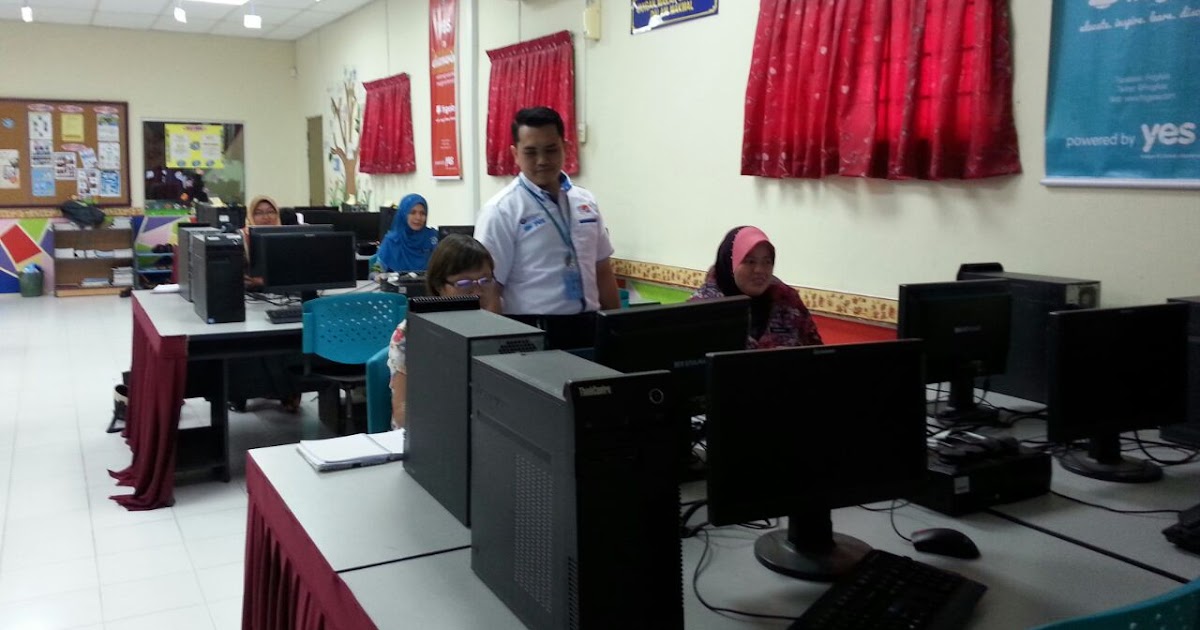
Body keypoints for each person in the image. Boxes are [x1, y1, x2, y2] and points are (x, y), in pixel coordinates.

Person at [474, 107, 621, 321]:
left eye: (551, 150)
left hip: (590, 324)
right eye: (531, 152)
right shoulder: (501, 211)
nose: (542, 160)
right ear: (515, 154)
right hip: (532, 329)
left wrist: (616, 327)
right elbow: (490, 289)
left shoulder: (586, 202)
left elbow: (602, 270)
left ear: (565, 148)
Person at [388, 234, 500, 430]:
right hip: (428, 434)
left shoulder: (502, 332)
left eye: (485, 280)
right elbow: (402, 414)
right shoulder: (411, 333)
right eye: (464, 283)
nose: (478, 291)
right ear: (440, 286)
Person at [689, 226, 823, 349]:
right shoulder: (703, 309)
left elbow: (817, 354)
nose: (759, 270)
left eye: (767, 261)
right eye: (750, 261)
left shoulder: (787, 300)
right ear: (730, 264)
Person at [375, 193, 438, 273]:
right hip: (398, 285)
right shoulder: (392, 240)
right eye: (412, 212)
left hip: (429, 285)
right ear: (403, 214)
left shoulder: (433, 237)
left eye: (422, 213)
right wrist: (376, 275)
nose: (418, 217)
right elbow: (376, 270)